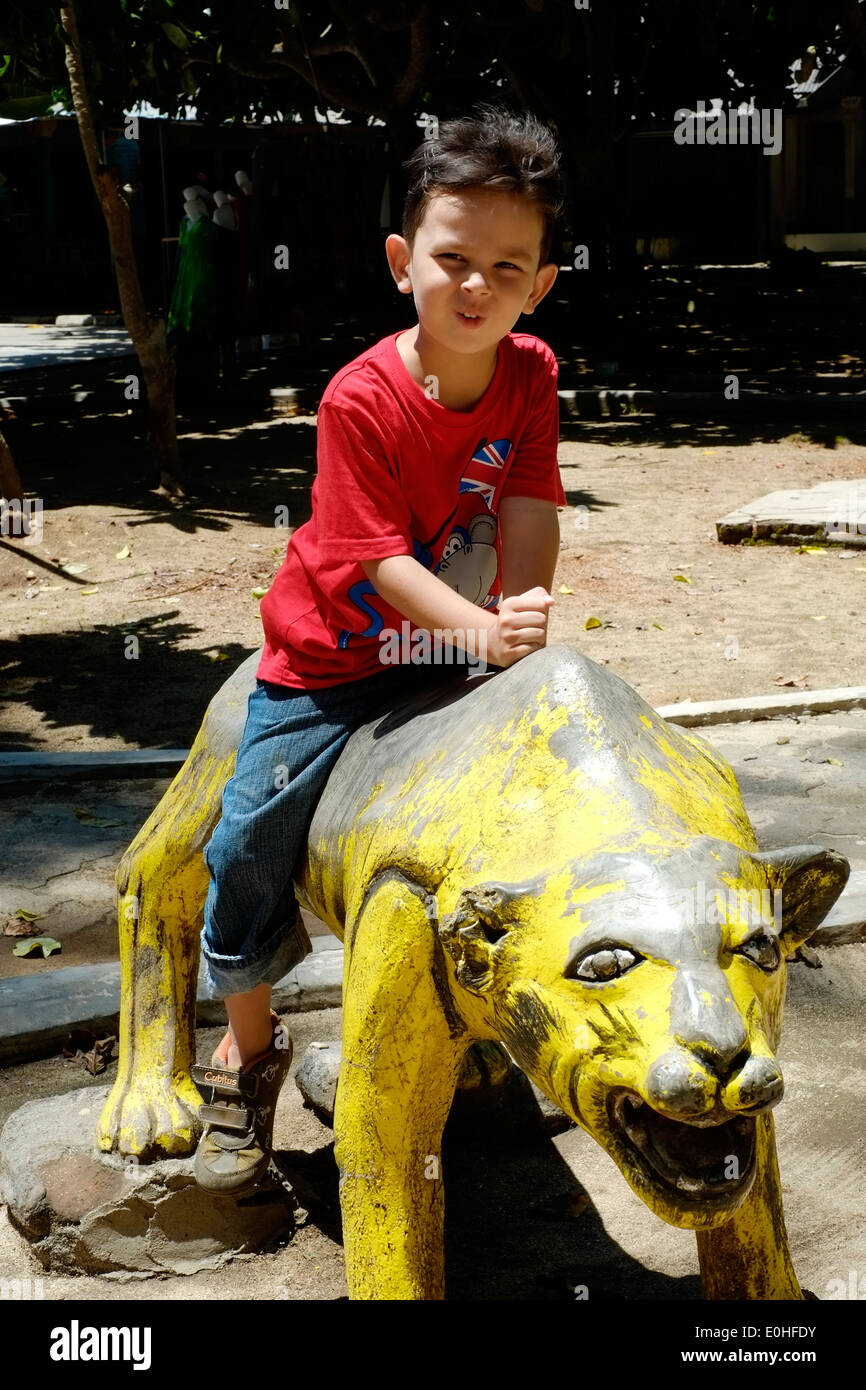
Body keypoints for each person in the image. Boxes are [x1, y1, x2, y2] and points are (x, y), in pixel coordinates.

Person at [192, 103, 567, 1195]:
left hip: (445, 644)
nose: (476, 287)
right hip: (329, 659)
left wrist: (528, 612)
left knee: (508, 819)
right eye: (452, 259)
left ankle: (481, 1027)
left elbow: (534, 499)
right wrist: (481, 626)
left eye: (507, 267)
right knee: (250, 838)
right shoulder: (359, 398)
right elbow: (373, 560)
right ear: (403, 262)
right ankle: (246, 1043)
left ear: (539, 283)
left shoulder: (529, 372)